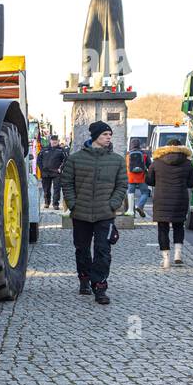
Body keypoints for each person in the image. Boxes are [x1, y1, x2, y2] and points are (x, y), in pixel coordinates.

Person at [59, 121, 127, 305]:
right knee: (82, 249)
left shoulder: (117, 160)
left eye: (110, 135)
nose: (108, 138)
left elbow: (122, 185)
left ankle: (100, 286)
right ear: (96, 136)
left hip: (105, 214)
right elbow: (67, 183)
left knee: (103, 251)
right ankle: (84, 279)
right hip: (80, 213)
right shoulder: (75, 159)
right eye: (105, 134)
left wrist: (113, 204)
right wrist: (73, 204)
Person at [147, 137, 193, 268]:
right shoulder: (187, 163)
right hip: (180, 198)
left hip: (161, 199)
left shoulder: (157, 162)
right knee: (178, 226)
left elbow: (149, 181)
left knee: (162, 228)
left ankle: (166, 259)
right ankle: (178, 255)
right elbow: (192, 183)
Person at [38, 135, 68, 210]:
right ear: (50, 141)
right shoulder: (44, 150)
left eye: (56, 140)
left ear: (58, 141)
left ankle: (55, 204)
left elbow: (65, 160)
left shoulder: (61, 150)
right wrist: (42, 169)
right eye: (53, 140)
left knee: (57, 189)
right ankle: (47, 203)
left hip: (56, 173)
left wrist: (61, 168)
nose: (54, 141)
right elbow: (39, 160)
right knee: (46, 189)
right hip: (45, 173)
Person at [126, 137, 150, 218]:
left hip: (130, 177)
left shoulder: (127, 154)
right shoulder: (145, 154)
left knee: (130, 193)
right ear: (139, 145)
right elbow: (149, 165)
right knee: (145, 193)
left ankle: (131, 211)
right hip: (142, 177)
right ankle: (139, 206)